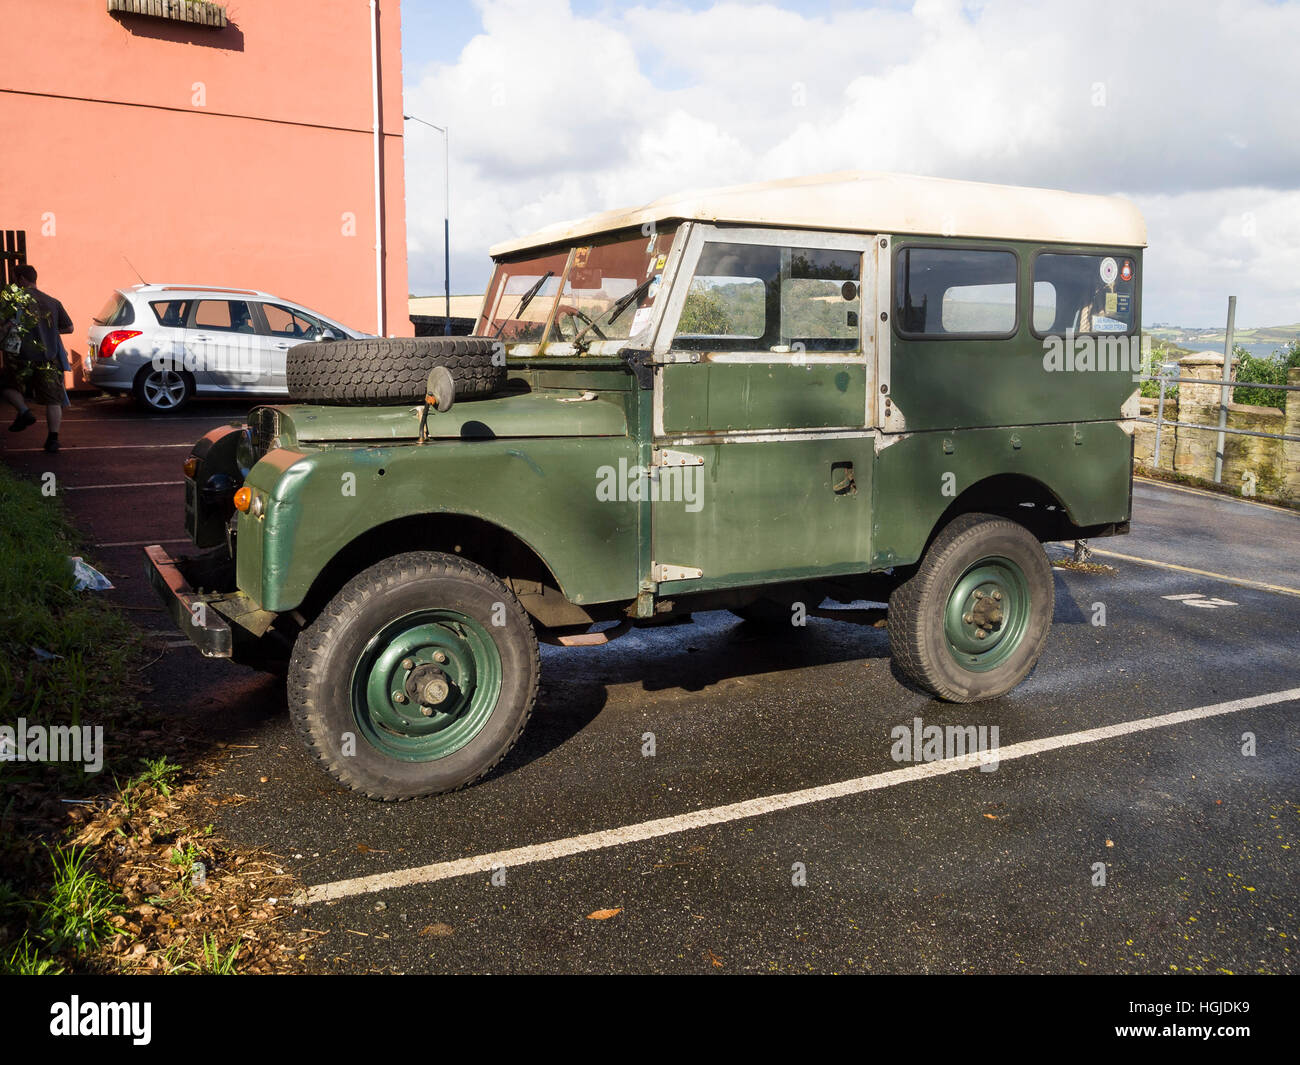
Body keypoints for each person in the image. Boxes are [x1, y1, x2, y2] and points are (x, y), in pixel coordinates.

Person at [1, 264, 73, 453]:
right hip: (48, 357)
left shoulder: (14, 302)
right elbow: (69, 328)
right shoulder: (52, 301)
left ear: (21, 279)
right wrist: (48, 330)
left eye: (15, 278)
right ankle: (53, 439)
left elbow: (4, 327)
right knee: (53, 400)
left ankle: (24, 412)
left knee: (6, 386)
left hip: (20, 357)